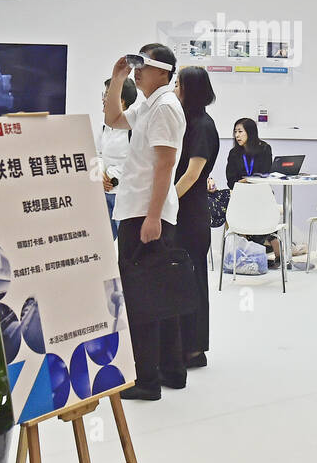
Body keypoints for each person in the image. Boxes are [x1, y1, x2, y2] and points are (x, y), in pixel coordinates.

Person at [104, 44, 188, 402]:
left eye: (144, 66)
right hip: (140, 209)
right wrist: (117, 77)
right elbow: (112, 119)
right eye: (135, 65)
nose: (138, 71)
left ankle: (146, 378)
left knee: (142, 298)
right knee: (159, 293)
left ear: (165, 72)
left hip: (145, 213)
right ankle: (170, 371)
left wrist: (153, 216)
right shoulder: (149, 104)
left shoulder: (165, 107)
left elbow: (166, 164)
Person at [173, 66, 218, 369]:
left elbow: (192, 175)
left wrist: (163, 204)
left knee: (194, 281)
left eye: (178, 85)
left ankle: (194, 349)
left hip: (190, 213)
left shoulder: (203, 125)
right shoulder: (185, 121)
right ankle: (182, 345)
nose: (175, 89)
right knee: (180, 281)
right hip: (181, 211)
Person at [224, 117, 287, 266]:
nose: (237, 135)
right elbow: (230, 179)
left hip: (261, 193)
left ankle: (273, 248)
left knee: (264, 211)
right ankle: (253, 249)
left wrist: (248, 180)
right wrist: (244, 182)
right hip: (241, 194)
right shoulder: (234, 153)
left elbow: (265, 172)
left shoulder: (264, 148)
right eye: (235, 132)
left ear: (250, 132)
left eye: (240, 131)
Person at [97, 76, 137, 239]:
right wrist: (100, 175)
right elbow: (98, 154)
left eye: (108, 94)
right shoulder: (105, 125)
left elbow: (135, 161)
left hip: (125, 195)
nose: (104, 99)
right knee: (104, 241)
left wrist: (111, 178)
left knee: (126, 244)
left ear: (121, 101)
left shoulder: (133, 126)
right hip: (104, 192)